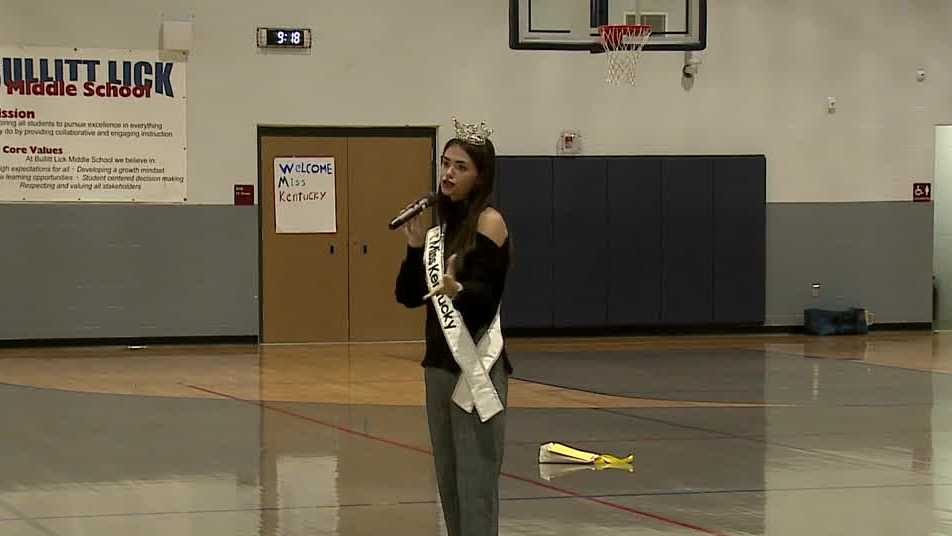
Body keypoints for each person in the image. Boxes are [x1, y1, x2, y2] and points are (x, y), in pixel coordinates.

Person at [394, 119, 511, 536]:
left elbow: (485, 299)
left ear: (480, 175)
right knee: (448, 480)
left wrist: (457, 287)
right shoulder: (438, 230)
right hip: (439, 367)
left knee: (476, 483)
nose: (448, 173)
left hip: (476, 366)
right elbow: (408, 296)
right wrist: (413, 248)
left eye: (460, 166)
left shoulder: (490, 223)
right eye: (445, 163)